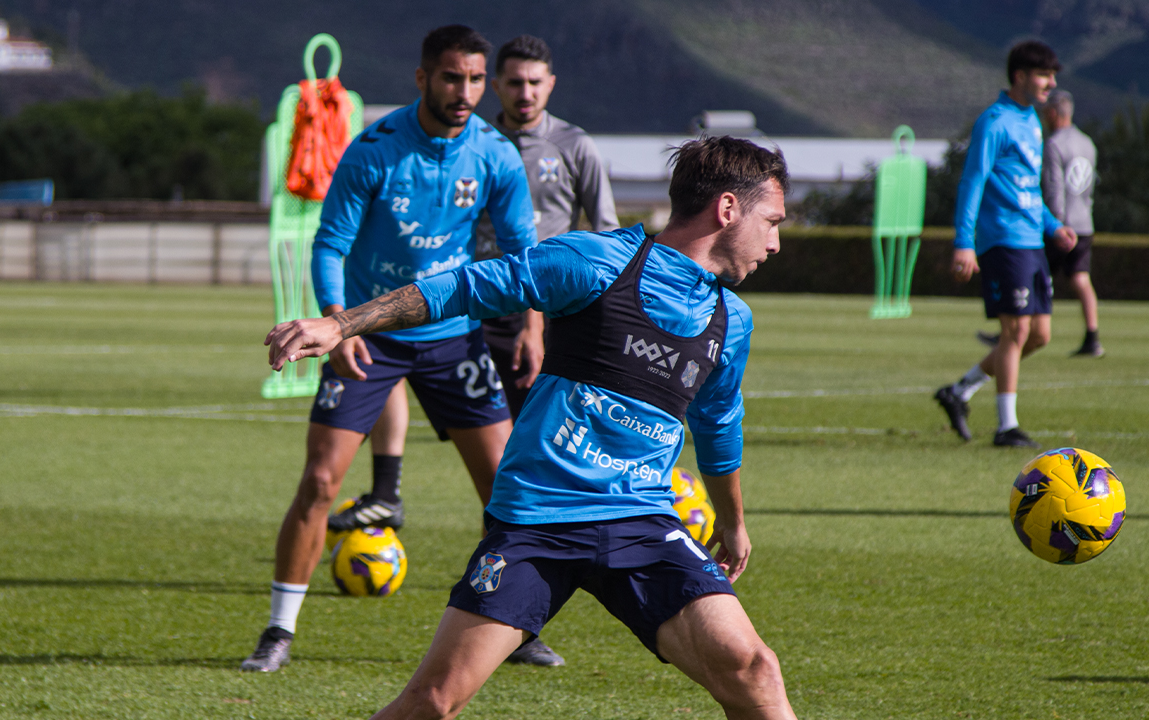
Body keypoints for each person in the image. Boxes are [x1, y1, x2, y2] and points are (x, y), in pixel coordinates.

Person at [264, 136, 798, 719]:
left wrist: (734, 523)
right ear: (727, 209)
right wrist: (343, 324)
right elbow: (464, 287)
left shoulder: (730, 320)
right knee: (433, 701)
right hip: (539, 524)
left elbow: (720, 426)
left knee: (754, 671)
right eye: (771, 222)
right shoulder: (595, 263)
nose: (774, 243)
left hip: (642, 523)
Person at [240, 24, 540, 672]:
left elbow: (524, 254)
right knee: (321, 481)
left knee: (506, 492)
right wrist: (337, 324)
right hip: (370, 339)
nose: (465, 93)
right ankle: (278, 630)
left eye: (475, 80)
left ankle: (519, 624)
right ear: (423, 78)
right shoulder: (374, 149)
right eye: (452, 78)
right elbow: (330, 245)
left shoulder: (494, 153)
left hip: (454, 337)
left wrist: (533, 328)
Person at [327, 34, 621, 668]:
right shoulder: (467, 140)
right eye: (509, 82)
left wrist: (542, 322)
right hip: (465, 305)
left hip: (536, 310)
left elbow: (601, 231)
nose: (517, 93)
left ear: (549, 85)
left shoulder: (571, 146)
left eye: (527, 82)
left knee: (514, 466)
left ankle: (523, 602)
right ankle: (390, 493)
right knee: (437, 410)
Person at [934, 40, 1078, 448]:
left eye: (1052, 76)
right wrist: (964, 243)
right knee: (1015, 331)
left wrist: (1053, 226)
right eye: (1044, 75)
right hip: (1002, 240)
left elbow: (1027, 187)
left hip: (1032, 241)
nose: (1051, 83)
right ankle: (1006, 427)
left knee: (1039, 336)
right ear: (1020, 76)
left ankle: (960, 390)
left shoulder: (1032, 120)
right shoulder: (994, 122)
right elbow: (973, 180)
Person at [1041, 89, 1103, 357]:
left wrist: (1055, 226)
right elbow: (1088, 190)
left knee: (1035, 274)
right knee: (1081, 279)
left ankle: (1017, 326)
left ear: (1054, 113)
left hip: (1062, 225)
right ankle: (1093, 336)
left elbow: (1055, 191)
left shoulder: (1054, 144)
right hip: (1084, 223)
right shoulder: (1088, 143)